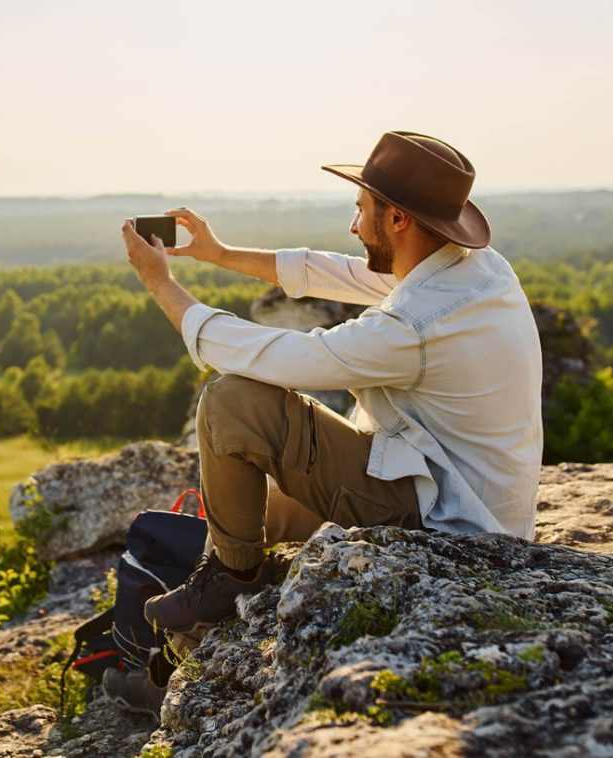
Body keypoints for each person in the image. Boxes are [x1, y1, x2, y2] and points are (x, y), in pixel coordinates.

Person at [119, 131, 543, 645]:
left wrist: (161, 285)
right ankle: (183, 645)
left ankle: (232, 581)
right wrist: (221, 253)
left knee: (233, 402)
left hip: (448, 520)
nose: (352, 224)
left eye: (360, 209)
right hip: (473, 499)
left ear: (398, 219)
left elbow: (282, 358)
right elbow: (343, 274)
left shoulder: (416, 325)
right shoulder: (475, 270)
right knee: (255, 515)